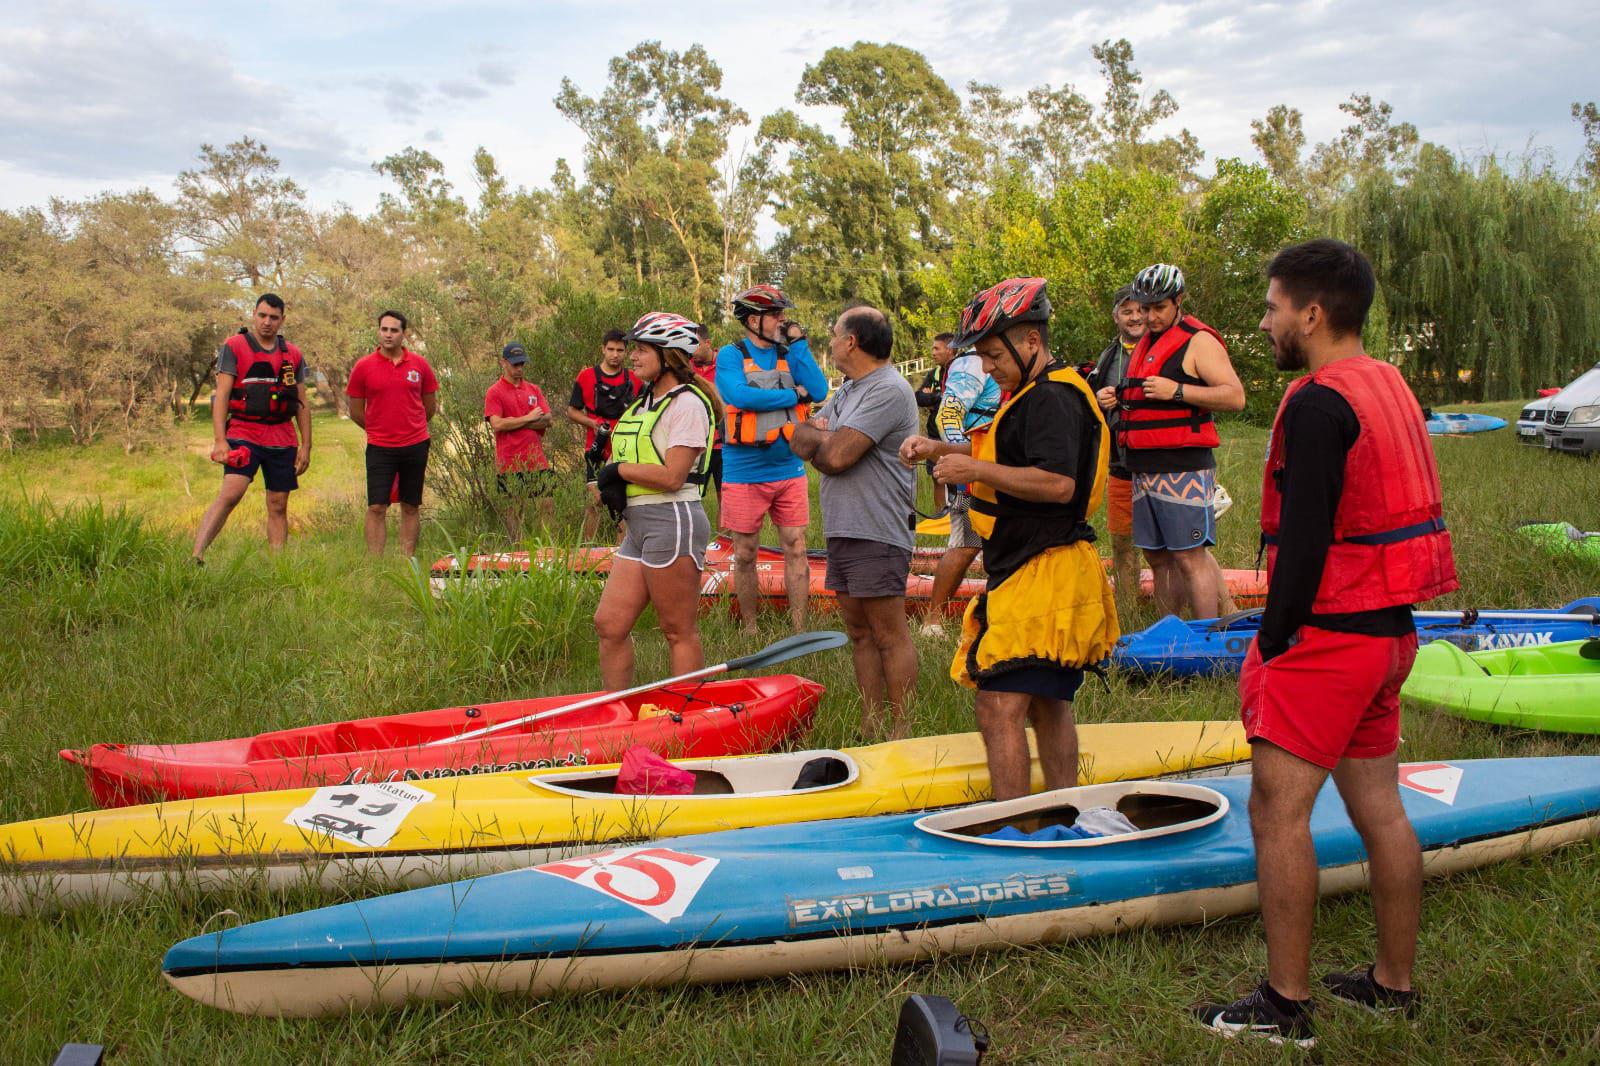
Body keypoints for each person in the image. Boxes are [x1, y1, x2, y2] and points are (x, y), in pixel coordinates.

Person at [1194, 240, 1458, 1048]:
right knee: (1380, 807)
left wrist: (1272, 643)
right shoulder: (1387, 382)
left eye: (1273, 307)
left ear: (1310, 314)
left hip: (1331, 637)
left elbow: (1304, 544)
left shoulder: (1316, 403)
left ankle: (1285, 1005)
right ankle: (1393, 985)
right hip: (1390, 636)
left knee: (1278, 812)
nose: (1266, 322)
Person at [898, 278, 1118, 801]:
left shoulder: (1051, 399)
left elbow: (1058, 483)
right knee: (1048, 704)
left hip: (1043, 571)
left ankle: (1016, 829)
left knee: (998, 705)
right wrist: (938, 447)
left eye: (995, 354)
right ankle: (1061, 814)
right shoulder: (1037, 392)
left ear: (1031, 343)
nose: (987, 366)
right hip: (1037, 567)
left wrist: (972, 468)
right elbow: (1013, 455)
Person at [790, 306, 919, 740]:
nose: (828, 342)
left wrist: (825, 440)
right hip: (844, 527)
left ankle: (902, 729)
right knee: (859, 633)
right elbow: (800, 438)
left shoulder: (889, 390)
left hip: (878, 528)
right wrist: (826, 438)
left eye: (833, 333)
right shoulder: (847, 391)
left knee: (888, 634)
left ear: (851, 341)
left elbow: (836, 457)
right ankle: (871, 723)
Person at [591, 313, 721, 690]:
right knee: (610, 623)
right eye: (633, 348)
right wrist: (608, 481)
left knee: (677, 629)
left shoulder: (688, 405)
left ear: (669, 356)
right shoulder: (644, 402)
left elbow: (672, 476)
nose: (632, 356)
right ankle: (616, 711)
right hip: (639, 524)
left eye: (643, 349)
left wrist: (619, 472)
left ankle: (690, 719)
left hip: (674, 519)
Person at [1118, 264, 1247, 618]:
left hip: (1183, 464)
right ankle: (1168, 636)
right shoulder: (1146, 342)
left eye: (1159, 307)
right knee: (1158, 557)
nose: (1150, 316)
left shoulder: (1198, 340)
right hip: (1144, 465)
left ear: (1177, 301)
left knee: (1190, 556)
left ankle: (1207, 634)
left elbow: (1235, 397)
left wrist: (1176, 391)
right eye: (1145, 308)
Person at [714, 284, 829, 633]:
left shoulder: (790, 352)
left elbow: (820, 390)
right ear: (753, 320)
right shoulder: (731, 355)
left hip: (789, 467)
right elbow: (739, 396)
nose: (783, 320)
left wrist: (800, 343)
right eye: (775, 314)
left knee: (796, 545)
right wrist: (793, 394)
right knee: (745, 552)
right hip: (743, 469)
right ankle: (750, 627)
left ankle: (799, 628)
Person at [191, 293, 311, 563]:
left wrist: (306, 446)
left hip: (282, 436)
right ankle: (196, 555)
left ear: (282, 320)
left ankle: (278, 566)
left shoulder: (292, 354)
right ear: (254, 314)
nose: (267, 322)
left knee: (278, 503)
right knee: (232, 492)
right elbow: (221, 395)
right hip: (244, 431)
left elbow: (302, 402)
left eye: (274, 317)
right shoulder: (234, 346)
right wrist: (220, 440)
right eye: (262, 315)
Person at [922, 338, 1002, 629]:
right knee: (966, 546)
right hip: (975, 475)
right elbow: (948, 416)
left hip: (1001, 470)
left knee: (1002, 543)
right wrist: (967, 461)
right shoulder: (971, 363)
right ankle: (933, 620)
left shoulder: (1003, 358)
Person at [347, 310, 438, 557]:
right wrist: (378, 429)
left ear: (403, 334)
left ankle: (407, 559)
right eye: (384, 329)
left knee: (410, 505)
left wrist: (412, 426)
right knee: (377, 506)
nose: (388, 334)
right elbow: (355, 410)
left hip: (415, 445)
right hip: (380, 447)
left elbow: (430, 406)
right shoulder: (363, 367)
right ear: (379, 331)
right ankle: (376, 563)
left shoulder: (420, 365)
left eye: (394, 330)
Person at [1088, 286, 1144, 617]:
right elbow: (1091, 407)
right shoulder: (1108, 357)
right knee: (1122, 544)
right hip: (1120, 466)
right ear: (1116, 317)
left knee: (1165, 549)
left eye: (1139, 310)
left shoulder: (1162, 349)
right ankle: (1128, 616)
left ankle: (1175, 622)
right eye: (1127, 311)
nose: (1135, 317)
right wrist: (1098, 400)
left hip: (1158, 465)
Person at [566, 330, 641, 541]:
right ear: (602, 349)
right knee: (595, 501)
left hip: (625, 447)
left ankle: (621, 552)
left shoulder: (634, 379)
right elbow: (572, 411)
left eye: (620, 350)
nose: (615, 354)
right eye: (611, 349)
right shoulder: (586, 376)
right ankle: (587, 552)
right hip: (596, 448)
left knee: (623, 502)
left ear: (626, 352)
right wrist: (592, 423)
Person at [484, 342, 555, 538]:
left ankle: (547, 551)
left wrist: (515, 422)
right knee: (514, 511)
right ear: (504, 363)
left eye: (522, 364)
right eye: (515, 364)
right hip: (509, 461)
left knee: (547, 505)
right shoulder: (495, 392)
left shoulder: (533, 389)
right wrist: (529, 418)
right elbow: (497, 424)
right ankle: (518, 553)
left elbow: (548, 419)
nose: (519, 368)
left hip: (536, 459)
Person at [913, 333, 957, 512]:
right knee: (937, 476)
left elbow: (956, 399)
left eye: (936, 348)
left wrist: (935, 399)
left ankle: (959, 513)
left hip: (956, 438)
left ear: (950, 349)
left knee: (957, 477)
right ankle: (941, 516)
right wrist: (937, 396)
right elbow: (919, 397)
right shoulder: (934, 374)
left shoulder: (960, 371)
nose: (932, 353)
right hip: (934, 435)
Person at [689, 321, 724, 504]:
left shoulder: (726, 364)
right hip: (694, 443)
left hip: (721, 445)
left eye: (695, 345)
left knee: (724, 497)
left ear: (708, 343)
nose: (691, 351)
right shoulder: (685, 367)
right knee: (691, 495)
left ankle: (723, 534)